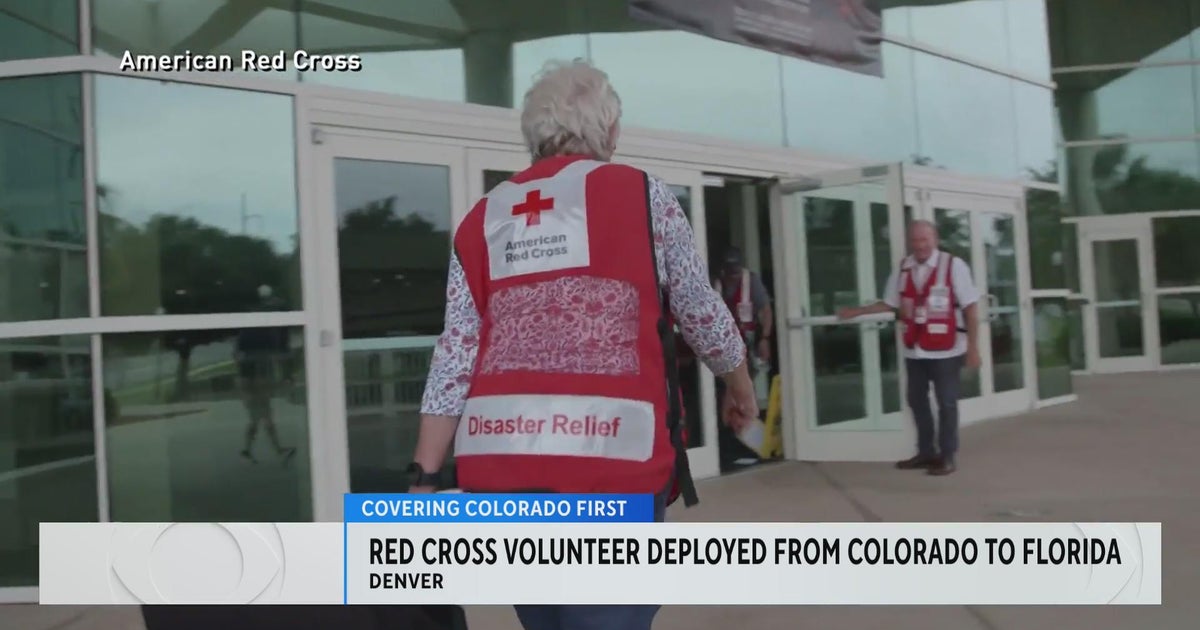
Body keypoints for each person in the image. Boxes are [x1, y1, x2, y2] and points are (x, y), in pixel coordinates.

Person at [406, 59, 757, 630]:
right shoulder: (642, 196)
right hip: (610, 475)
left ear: (534, 134)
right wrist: (739, 385)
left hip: (504, 480)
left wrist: (424, 479)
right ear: (609, 131)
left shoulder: (484, 218)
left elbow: (455, 355)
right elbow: (698, 307)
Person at [837, 220, 980, 476]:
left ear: (935, 239)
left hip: (947, 349)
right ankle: (925, 452)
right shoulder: (904, 268)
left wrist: (973, 348)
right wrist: (856, 311)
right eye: (915, 240)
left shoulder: (953, 265)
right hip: (916, 350)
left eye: (924, 240)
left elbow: (971, 307)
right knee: (916, 400)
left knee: (947, 403)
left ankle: (947, 456)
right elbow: (890, 304)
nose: (920, 245)